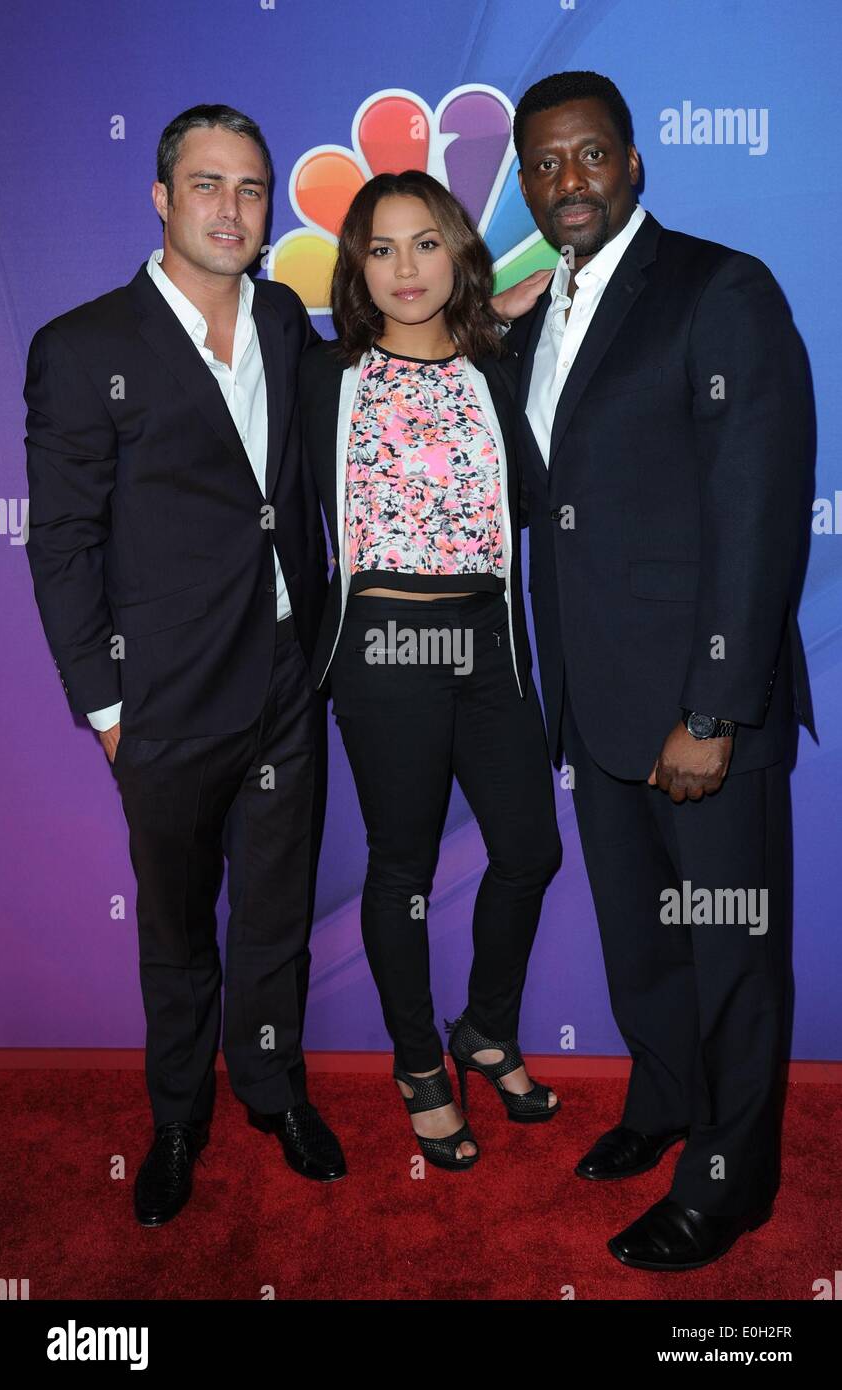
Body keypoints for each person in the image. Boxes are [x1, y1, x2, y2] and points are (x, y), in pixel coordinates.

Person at [504, 70, 816, 1267]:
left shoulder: (716, 287)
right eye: (542, 163)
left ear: (634, 163)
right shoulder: (541, 312)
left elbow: (758, 510)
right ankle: (663, 1102)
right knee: (642, 938)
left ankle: (728, 1180)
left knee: (729, 948)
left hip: (699, 711)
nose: (565, 180)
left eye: (587, 156)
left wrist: (713, 706)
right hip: (591, 701)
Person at [23, 104, 347, 1226]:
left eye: (251, 188)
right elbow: (60, 540)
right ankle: (176, 1119)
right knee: (174, 929)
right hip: (160, 696)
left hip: (284, 681)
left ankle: (270, 1087)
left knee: (272, 912)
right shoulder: (85, 345)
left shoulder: (284, 320)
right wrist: (107, 705)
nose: (231, 207)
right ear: (161, 198)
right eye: (206, 185)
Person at [298, 170, 563, 1170]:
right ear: (357, 269)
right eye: (380, 248)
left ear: (456, 251)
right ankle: (417, 1064)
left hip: (485, 647)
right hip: (381, 652)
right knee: (400, 867)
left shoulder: (496, 372)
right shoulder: (327, 376)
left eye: (424, 243)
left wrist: (499, 313)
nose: (404, 268)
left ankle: (483, 1028)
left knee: (529, 849)